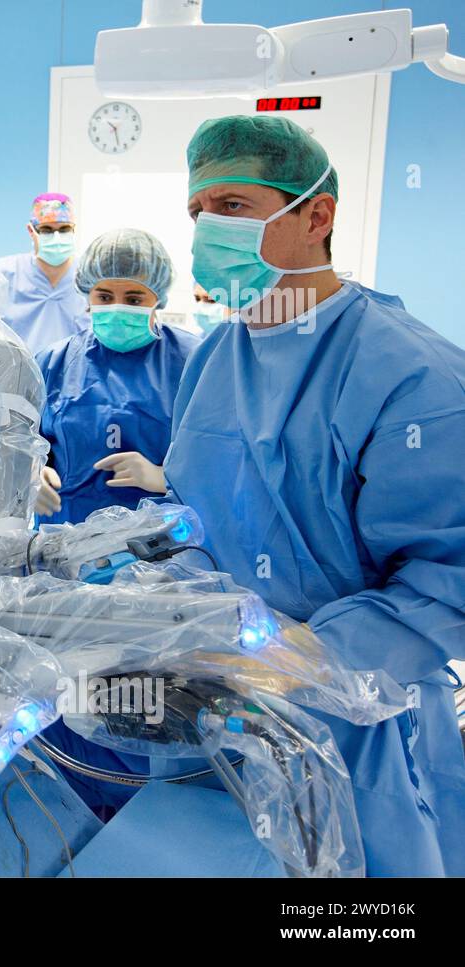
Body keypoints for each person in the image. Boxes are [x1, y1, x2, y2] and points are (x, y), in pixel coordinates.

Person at [166, 113, 465, 875]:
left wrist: (309, 660)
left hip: (365, 734)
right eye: (198, 211)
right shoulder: (211, 362)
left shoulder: (412, 375)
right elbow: (192, 520)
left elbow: (448, 577)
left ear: (316, 216)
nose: (206, 230)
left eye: (232, 206)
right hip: (219, 712)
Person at [33, 228, 198, 524]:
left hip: (162, 544)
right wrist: (31, 473)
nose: (117, 307)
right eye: (105, 296)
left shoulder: (192, 360)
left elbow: (224, 452)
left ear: (157, 299)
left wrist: (166, 478)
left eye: (134, 299)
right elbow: (21, 440)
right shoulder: (53, 362)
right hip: (66, 540)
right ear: (87, 297)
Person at [0, 192, 88, 351]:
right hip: (20, 373)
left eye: (64, 228)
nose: (57, 236)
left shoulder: (90, 277)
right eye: (47, 229)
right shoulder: (2, 274)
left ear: (74, 229)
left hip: (75, 374)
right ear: (31, 231)